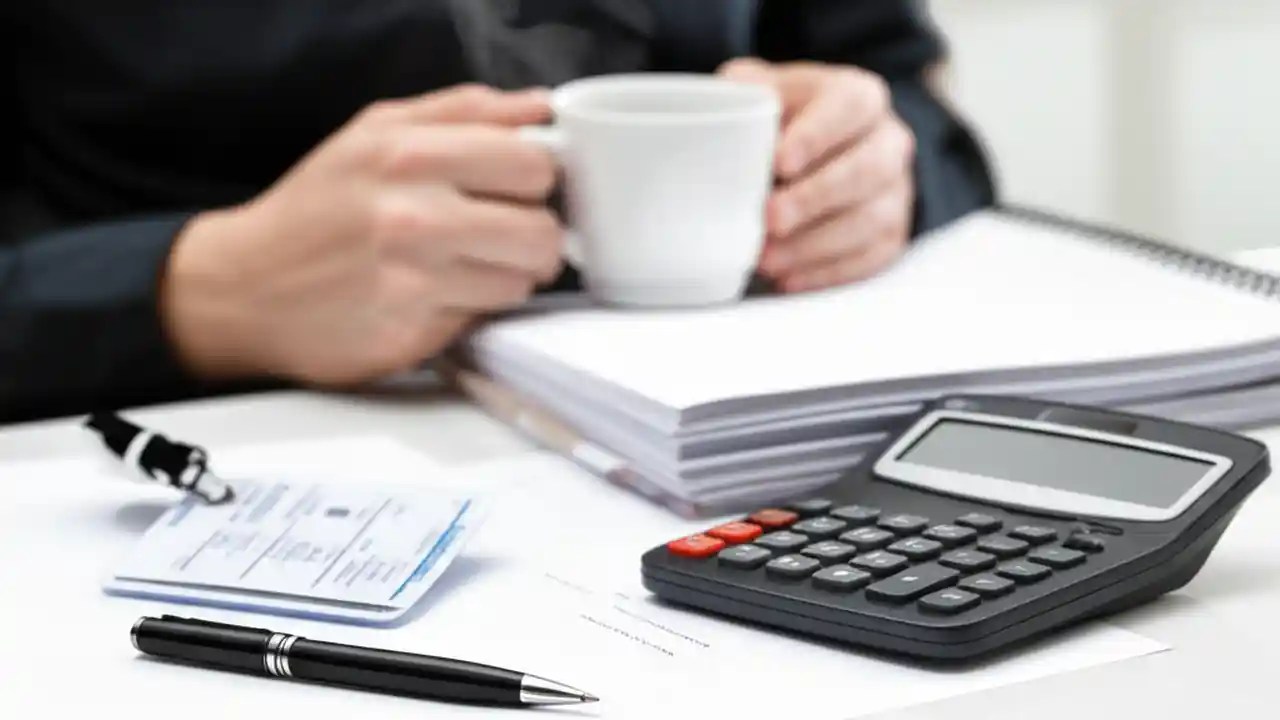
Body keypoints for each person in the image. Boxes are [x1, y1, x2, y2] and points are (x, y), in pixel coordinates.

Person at [0, 1, 995, 424]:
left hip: (730, 439)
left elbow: (899, 87)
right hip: (188, 453)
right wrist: (195, 290)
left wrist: (880, 167)